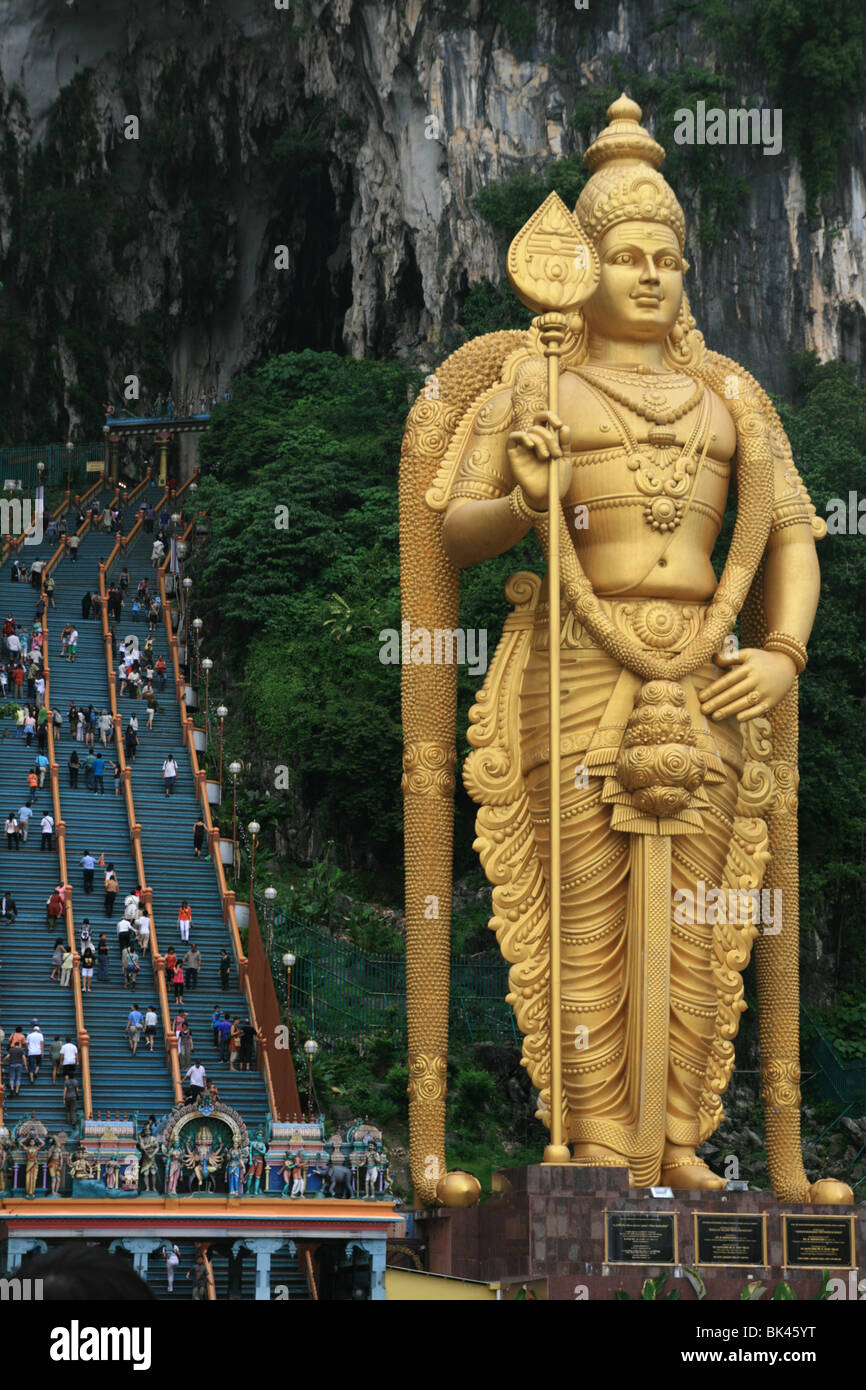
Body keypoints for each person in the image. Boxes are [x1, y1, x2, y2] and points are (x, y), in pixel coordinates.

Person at [5, 1029, 26, 1096]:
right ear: (19, 1044)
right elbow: (24, 1057)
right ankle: (17, 1091)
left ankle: (11, 1089)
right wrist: (25, 1065)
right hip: (19, 1064)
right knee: (18, 1078)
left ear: (14, 1044)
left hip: (12, 1064)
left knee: (12, 1077)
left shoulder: (11, 1049)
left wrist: (3, 1060)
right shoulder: (21, 1050)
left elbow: (8, 1056)